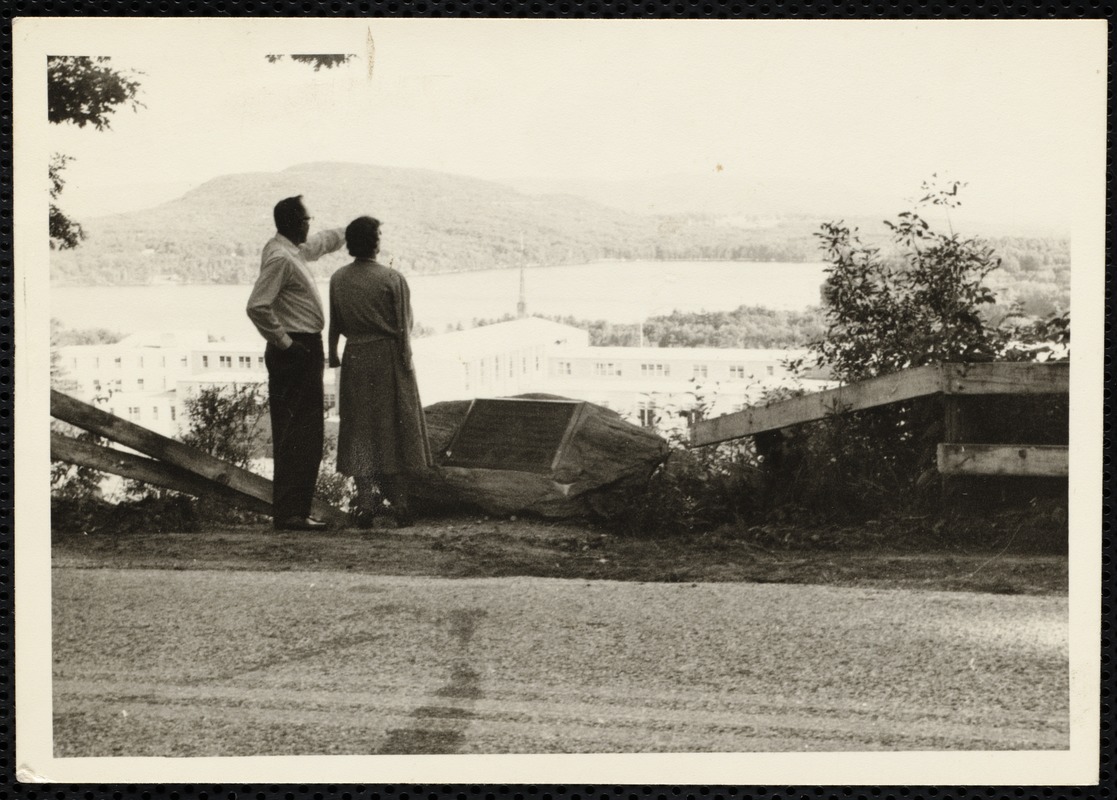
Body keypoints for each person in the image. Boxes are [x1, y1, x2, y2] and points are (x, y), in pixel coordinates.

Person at [247, 196, 345, 531]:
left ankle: (294, 511)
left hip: (302, 345)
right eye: (306, 219)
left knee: (303, 431)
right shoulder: (280, 258)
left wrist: (348, 231)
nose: (309, 224)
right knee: (299, 432)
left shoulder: (289, 250)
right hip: (296, 347)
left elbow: (318, 244)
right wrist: (288, 344)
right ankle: (291, 513)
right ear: (293, 222)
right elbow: (257, 306)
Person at [328, 216, 432, 528]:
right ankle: (400, 503)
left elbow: (335, 324)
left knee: (360, 428)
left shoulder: (338, 278)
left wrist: (333, 354)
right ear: (375, 242)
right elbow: (404, 327)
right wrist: (406, 364)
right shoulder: (392, 278)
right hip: (388, 359)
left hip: (356, 356)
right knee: (390, 427)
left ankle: (365, 502)